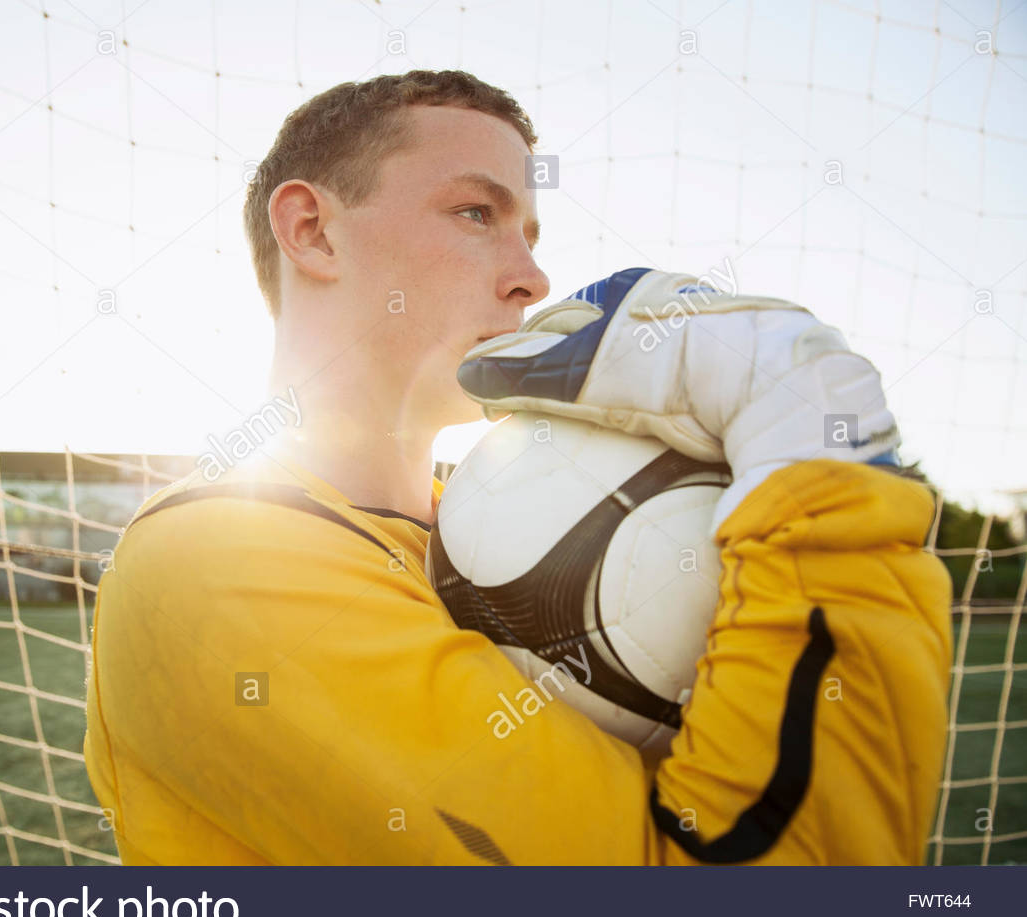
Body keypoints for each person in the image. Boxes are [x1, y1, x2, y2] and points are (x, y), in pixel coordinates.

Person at [83, 70, 952, 865]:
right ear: (311, 230)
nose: (532, 277)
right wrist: (817, 448)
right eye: (476, 214)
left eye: (532, 234)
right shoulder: (213, 560)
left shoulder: (514, 524)